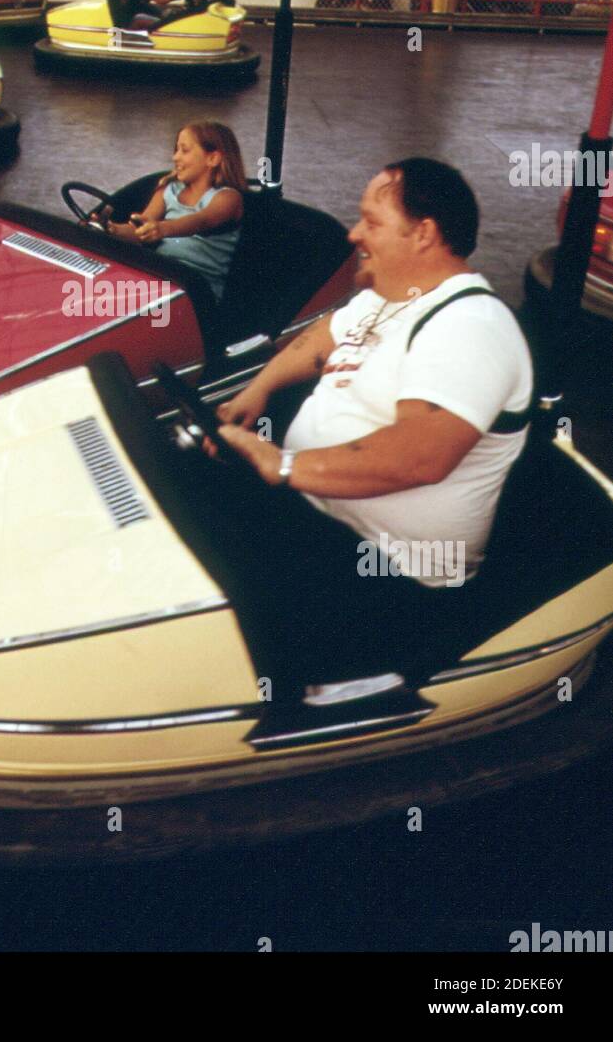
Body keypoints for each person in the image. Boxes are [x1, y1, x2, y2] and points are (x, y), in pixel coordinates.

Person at [210, 158, 533, 742]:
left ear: (424, 233)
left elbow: (419, 456)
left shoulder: (471, 327)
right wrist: (254, 392)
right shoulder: (386, 298)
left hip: (390, 577)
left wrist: (283, 465)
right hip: (318, 521)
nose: (353, 234)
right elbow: (320, 340)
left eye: (371, 221)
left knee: (209, 606)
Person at [103, 122, 245, 302]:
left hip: (197, 290)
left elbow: (201, 221)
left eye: (184, 151)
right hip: (161, 274)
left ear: (213, 159)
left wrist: (162, 229)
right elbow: (140, 230)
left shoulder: (228, 198)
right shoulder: (169, 190)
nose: (175, 157)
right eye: (176, 150)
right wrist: (110, 228)